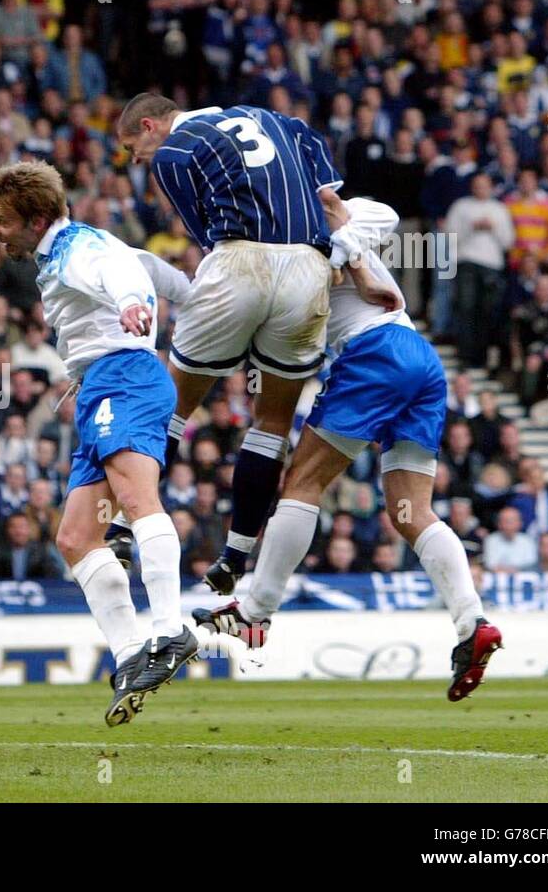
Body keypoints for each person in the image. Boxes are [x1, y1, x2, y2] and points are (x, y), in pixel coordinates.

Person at [189, 197, 502, 702]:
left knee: (302, 484)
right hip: (417, 357)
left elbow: (372, 213)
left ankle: (255, 613)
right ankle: (473, 622)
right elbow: (374, 212)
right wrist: (353, 258)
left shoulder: (267, 252)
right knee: (411, 512)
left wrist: (349, 258)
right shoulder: (318, 215)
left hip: (371, 355)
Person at [0, 159, 196, 727]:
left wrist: (134, 304)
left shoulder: (77, 248)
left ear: (34, 218)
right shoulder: (77, 246)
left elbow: (120, 275)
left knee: (137, 500)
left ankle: (171, 631)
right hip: (102, 385)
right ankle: (131, 656)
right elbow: (142, 263)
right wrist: (193, 296)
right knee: (76, 536)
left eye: (1, 220)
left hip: (124, 377)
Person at [116, 94, 341, 597]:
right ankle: (236, 555)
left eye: (134, 147)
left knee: (171, 408)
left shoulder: (175, 152)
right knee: (275, 422)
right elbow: (329, 198)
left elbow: (207, 237)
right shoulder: (277, 119)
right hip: (309, 265)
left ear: (151, 125)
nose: (136, 160)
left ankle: (125, 526)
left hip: (239, 260)